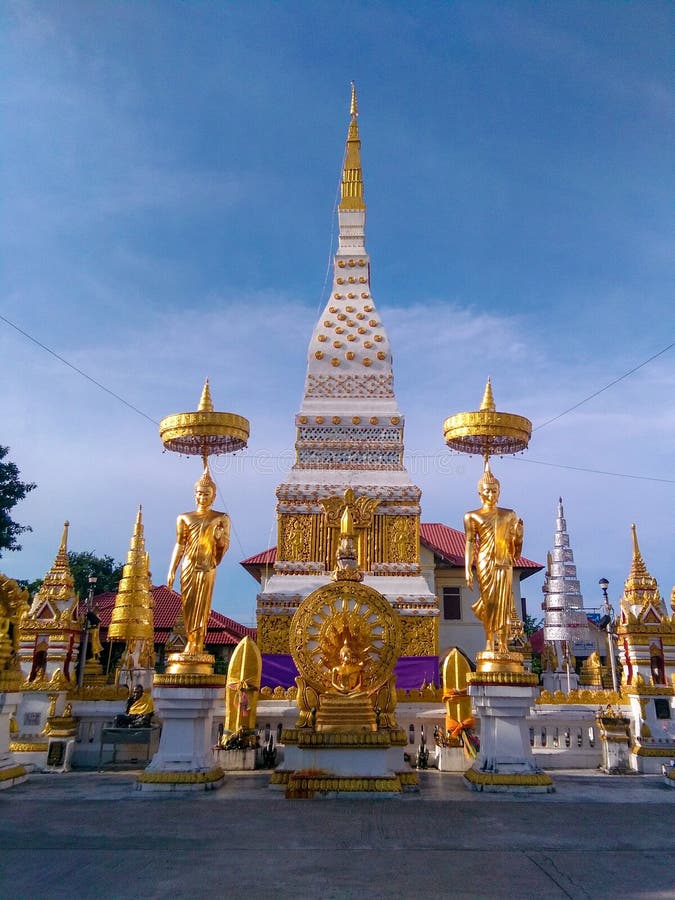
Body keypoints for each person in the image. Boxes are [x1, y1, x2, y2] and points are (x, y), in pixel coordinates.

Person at [167, 466, 230, 656]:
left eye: (207, 493)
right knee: (188, 604)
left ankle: (196, 643)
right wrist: (172, 570)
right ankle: (190, 639)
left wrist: (219, 538)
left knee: (202, 607)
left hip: (207, 565)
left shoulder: (220, 517)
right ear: (195, 494)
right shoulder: (184, 517)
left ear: (213, 496)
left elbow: (224, 545)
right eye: (200, 493)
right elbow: (179, 544)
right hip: (188, 565)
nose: (203, 497)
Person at [464, 460, 523, 654]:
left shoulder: (509, 514)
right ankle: (490, 641)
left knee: (505, 605)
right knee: (490, 604)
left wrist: (519, 536)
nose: (491, 495)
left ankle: (503, 644)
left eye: (494, 491)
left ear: (499, 492)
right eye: (487, 491)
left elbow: (515, 548)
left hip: (504, 562)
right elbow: (470, 542)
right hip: (485, 562)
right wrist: (467, 569)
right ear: (480, 493)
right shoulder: (472, 516)